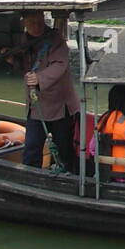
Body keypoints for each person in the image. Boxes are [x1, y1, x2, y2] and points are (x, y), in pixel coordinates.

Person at [18, 10, 80, 172]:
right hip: (36, 105)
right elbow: (24, 65)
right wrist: (12, 60)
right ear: (24, 23)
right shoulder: (24, 41)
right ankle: (31, 177)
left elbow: (60, 65)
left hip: (60, 105)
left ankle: (69, 175)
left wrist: (39, 78)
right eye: (31, 23)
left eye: (39, 22)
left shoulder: (55, 40)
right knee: (32, 146)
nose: (36, 26)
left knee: (64, 146)